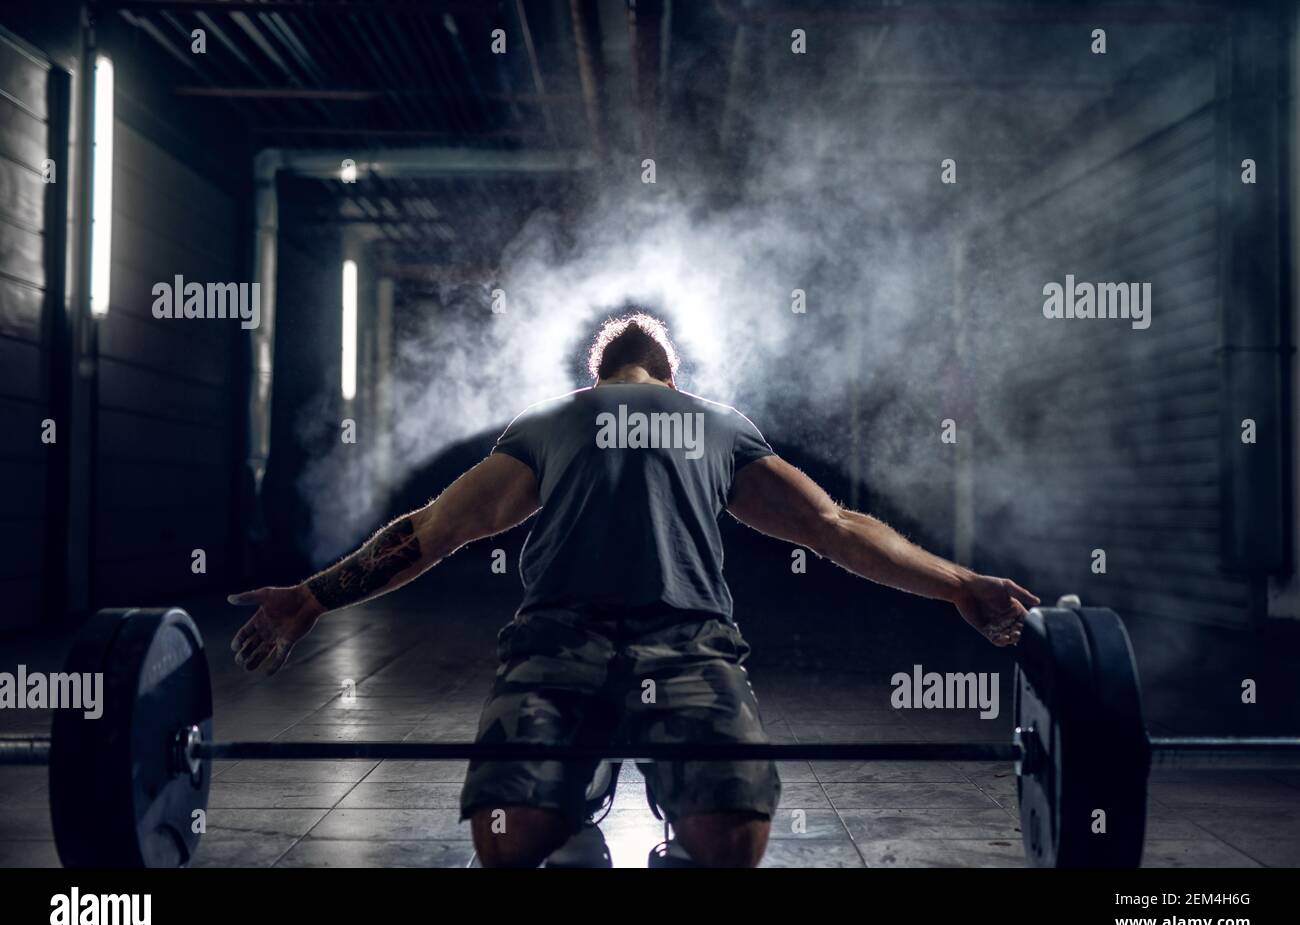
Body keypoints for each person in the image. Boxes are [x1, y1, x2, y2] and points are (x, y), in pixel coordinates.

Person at [228, 312, 1039, 868]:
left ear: (601, 371)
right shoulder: (709, 420)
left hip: (571, 646)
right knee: (733, 842)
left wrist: (312, 596)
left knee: (505, 842)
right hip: (672, 647)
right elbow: (836, 527)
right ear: (667, 371)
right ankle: (613, 830)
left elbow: (435, 530)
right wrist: (959, 584)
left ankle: (601, 828)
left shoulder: (556, 420)